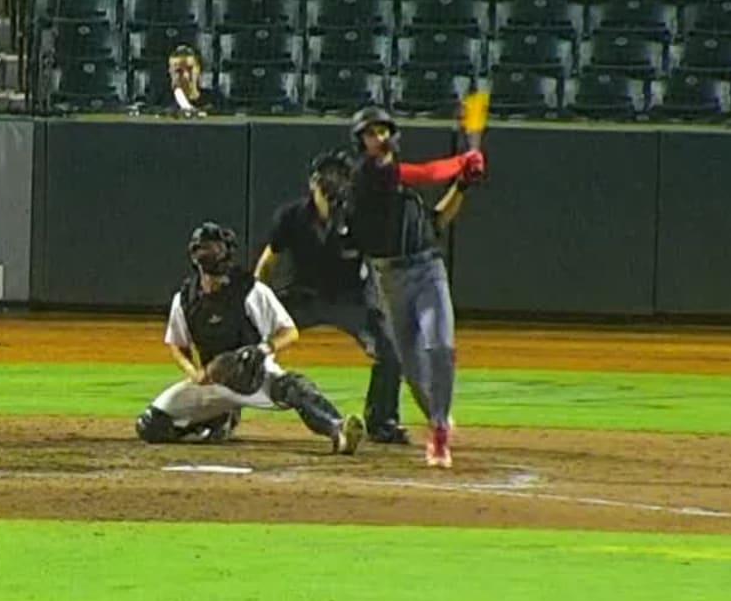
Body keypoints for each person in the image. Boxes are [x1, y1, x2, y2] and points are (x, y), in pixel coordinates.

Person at [134, 221, 365, 455]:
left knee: (294, 388)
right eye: (206, 249)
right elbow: (176, 344)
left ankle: (338, 430)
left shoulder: (250, 290)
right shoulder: (185, 299)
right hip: (215, 381)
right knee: (150, 426)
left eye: (215, 248)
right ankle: (215, 422)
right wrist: (195, 373)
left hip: (257, 377)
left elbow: (289, 331)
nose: (211, 254)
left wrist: (264, 349)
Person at [347, 107, 484, 468]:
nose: (379, 137)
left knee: (440, 346)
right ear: (361, 141)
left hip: (427, 270)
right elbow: (427, 173)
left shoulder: (404, 195)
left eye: (383, 131)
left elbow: (437, 221)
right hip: (389, 280)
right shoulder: (368, 175)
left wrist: (463, 183)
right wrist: (463, 161)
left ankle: (438, 432)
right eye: (371, 133)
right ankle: (437, 415)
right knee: (411, 366)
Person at [253, 150, 411, 445]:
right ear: (313, 182)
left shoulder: (360, 217)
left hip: (351, 299)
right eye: (326, 177)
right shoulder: (292, 216)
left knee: (390, 352)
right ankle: (225, 409)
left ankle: (382, 422)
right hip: (304, 297)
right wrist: (254, 306)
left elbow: (383, 259)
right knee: (247, 341)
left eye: (340, 177)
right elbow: (267, 264)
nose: (332, 184)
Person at [157, 44, 221, 116]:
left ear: (199, 70)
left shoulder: (217, 102)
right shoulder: (161, 105)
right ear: (170, 73)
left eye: (190, 69)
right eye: (178, 71)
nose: (186, 76)